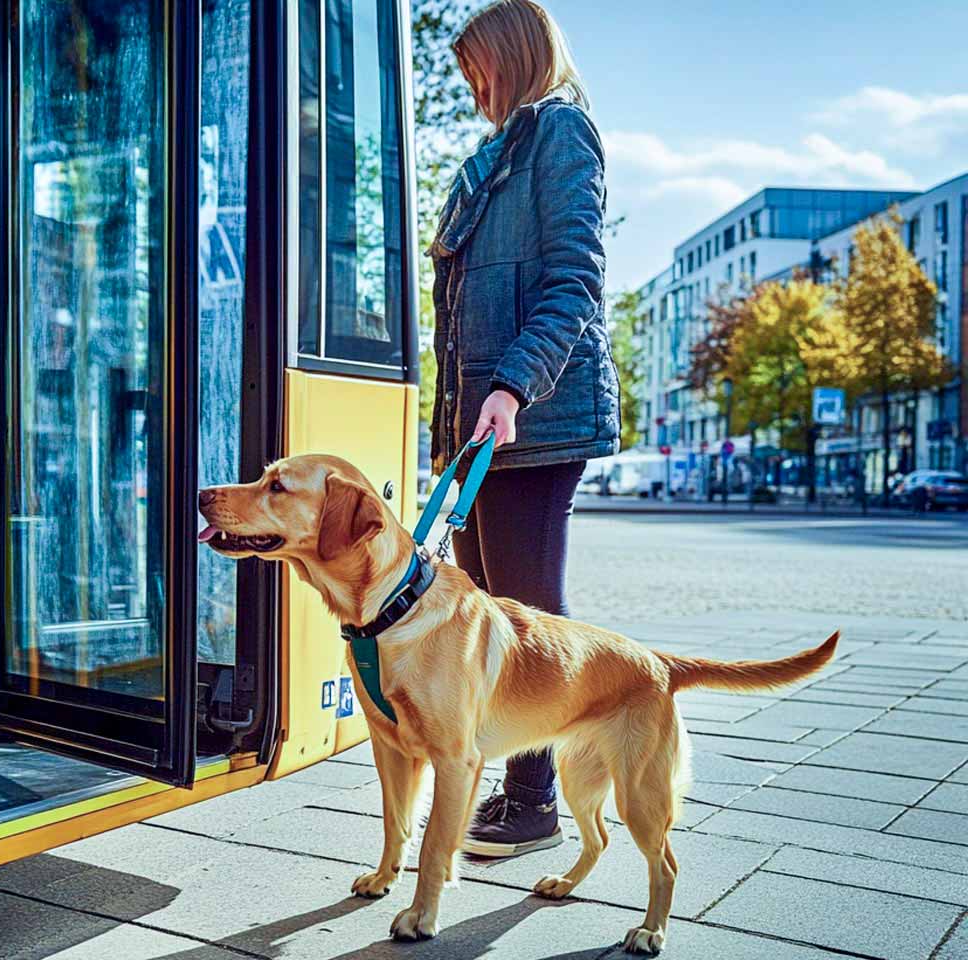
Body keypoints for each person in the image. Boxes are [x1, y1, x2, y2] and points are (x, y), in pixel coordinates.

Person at [427, 0, 620, 858]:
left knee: (529, 616)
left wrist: (510, 388)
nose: (473, 89)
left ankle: (536, 799)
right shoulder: (495, 155)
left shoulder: (560, 134)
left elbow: (575, 279)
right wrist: (457, 420)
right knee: (490, 615)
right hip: (486, 423)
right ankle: (515, 784)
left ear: (512, 56)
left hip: (534, 418)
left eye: (479, 70)